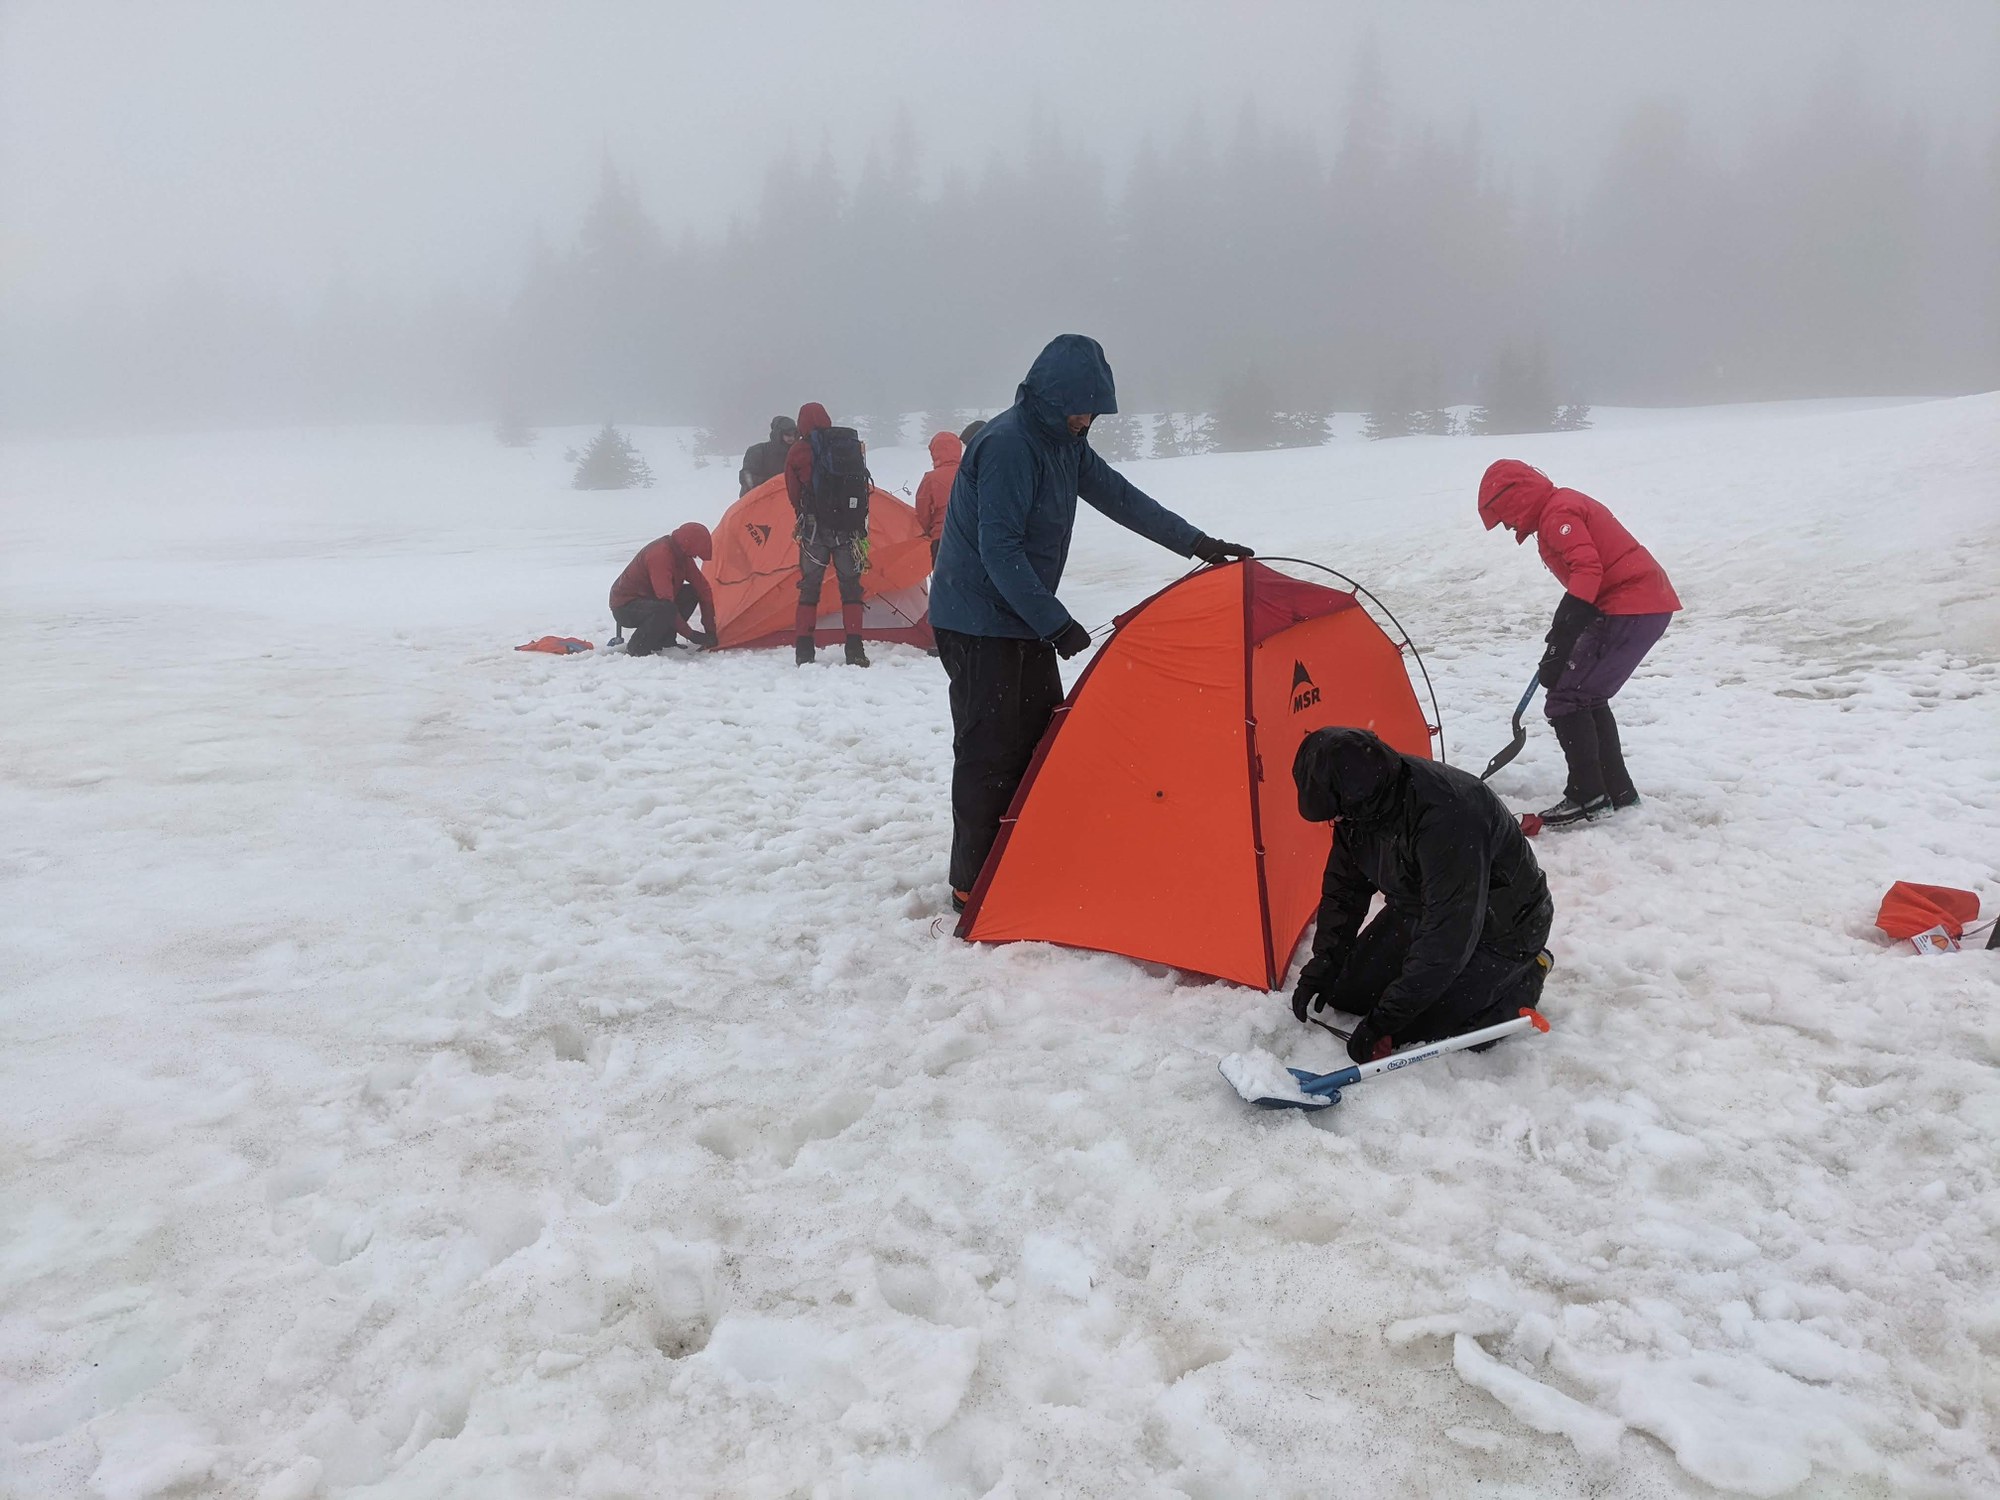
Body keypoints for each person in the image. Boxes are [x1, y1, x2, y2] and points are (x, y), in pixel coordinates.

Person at [930, 333, 1254, 911]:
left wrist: (1198, 544)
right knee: (989, 748)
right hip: (977, 620)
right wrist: (1055, 622)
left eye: (1094, 411)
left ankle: (1024, 855)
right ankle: (972, 881)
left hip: (1021, 615)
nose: (1088, 420)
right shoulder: (1009, 445)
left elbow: (1122, 499)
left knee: (1038, 738)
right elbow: (998, 550)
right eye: (1082, 408)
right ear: (1054, 399)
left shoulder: (1064, 443)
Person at [1291, 727, 1554, 1064]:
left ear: (1359, 797)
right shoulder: (1359, 805)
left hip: (1503, 925)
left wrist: (1386, 1021)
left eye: (1339, 814)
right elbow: (1345, 890)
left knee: (1425, 1031)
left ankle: (1529, 970)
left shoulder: (1449, 815)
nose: (1338, 822)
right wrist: (1324, 962)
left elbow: (1449, 935)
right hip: (1419, 906)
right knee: (1346, 993)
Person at [1478, 460, 1682, 827]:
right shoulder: (1558, 508)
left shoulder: (1558, 514)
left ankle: (1587, 795)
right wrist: (1563, 635)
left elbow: (1588, 569)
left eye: (1503, 517)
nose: (1508, 527)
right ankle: (1616, 791)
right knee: (1584, 696)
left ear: (1514, 499)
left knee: (1566, 698)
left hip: (1631, 606)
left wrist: (1566, 629)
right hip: (1637, 605)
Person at [784, 401, 874, 667]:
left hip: (814, 529)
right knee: (851, 587)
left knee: (810, 587)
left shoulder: (799, 450)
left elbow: (792, 491)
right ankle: (855, 647)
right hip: (849, 528)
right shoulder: (848, 445)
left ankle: (804, 649)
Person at [609, 523, 717, 656]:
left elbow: (703, 589)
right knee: (665, 608)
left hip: (651, 601)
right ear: (687, 546)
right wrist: (691, 635)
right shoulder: (660, 555)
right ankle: (637, 648)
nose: (695, 557)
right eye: (694, 554)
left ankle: (665, 641)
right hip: (624, 606)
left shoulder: (682, 556)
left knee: (691, 593)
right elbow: (665, 600)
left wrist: (710, 630)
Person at [914, 428, 964, 564]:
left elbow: (922, 511)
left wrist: (928, 530)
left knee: (945, 581)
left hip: (942, 537)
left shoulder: (931, 479)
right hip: (971, 536)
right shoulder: (970, 473)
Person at [739, 415, 797, 496]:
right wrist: (774, 483)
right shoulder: (758, 452)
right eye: (787, 434)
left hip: (787, 502)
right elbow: (747, 478)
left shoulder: (797, 454)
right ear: (778, 434)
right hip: (762, 500)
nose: (792, 437)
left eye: (794, 433)